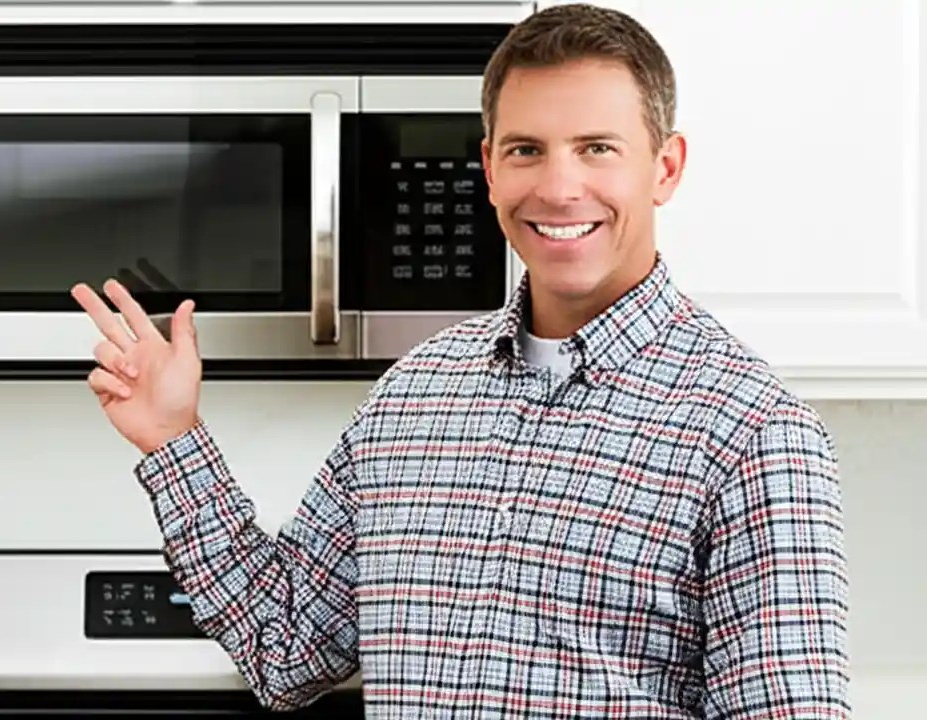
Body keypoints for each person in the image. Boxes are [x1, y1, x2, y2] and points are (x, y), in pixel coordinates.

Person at [70, 3, 850, 718]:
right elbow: (285, 649)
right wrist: (173, 439)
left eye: (597, 149)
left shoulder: (755, 435)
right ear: (490, 169)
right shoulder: (413, 396)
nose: (559, 187)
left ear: (666, 168)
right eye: (526, 150)